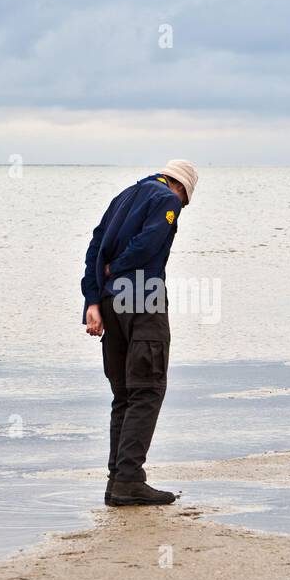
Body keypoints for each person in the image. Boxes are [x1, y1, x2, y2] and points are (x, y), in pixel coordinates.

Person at [81, 159, 198, 506]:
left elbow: (94, 245)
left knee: (124, 394)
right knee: (147, 389)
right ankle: (130, 479)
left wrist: (92, 297)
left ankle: (116, 480)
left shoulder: (123, 195)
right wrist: (118, 268)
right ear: (182, 189)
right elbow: (148, 244)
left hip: (108, 301)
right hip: (142, 297)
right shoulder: (167, 199)